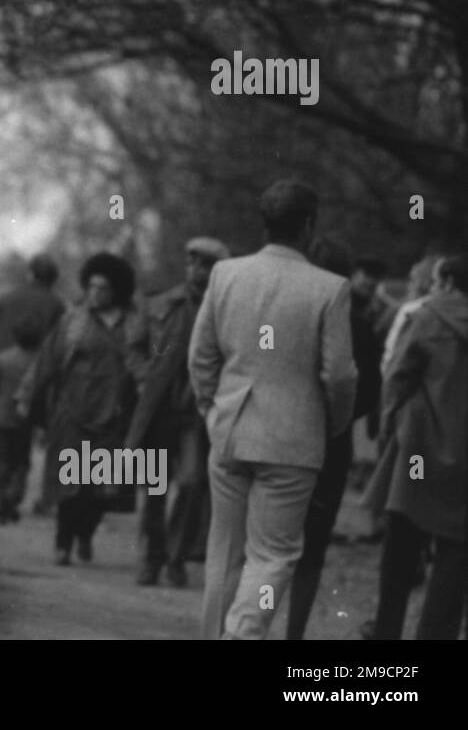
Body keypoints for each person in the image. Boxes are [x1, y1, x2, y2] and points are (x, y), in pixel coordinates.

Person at [188, 180, 357, 640]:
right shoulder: (331, 289)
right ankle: (243, 635)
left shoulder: (225, 275)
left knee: (224, 552)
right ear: (308, 225)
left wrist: (211, 408)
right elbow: (340, 375)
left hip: (230, 429)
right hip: (294, 438)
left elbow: (200, 355)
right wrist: (332, 424)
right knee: (273, 554)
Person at [17, 251, 148, 566]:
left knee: (99, 489)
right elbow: (46, 360)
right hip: (72, 413)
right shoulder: (73, 320)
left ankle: (86, 534)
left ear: (116, 290)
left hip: (113, 416)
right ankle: (63, 543)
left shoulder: (133, 325)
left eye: (102, 288)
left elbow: (144, 369)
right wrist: (25, 394)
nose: (94, 294)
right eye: (90, 287)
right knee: (69, 486)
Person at [364, 255, 468, 639]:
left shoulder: (427, 317)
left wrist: (389, 426)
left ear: (449, 283)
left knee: (402, 545)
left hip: (418, 451)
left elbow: (397, 377)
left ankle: (387, 630)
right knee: (455, 554)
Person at [285, 234, 382, 639]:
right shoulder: (358, 326)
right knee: (312, 548)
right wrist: (337, 420)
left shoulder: (290, 314)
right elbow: (368, 392)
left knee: (272, 544)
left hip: (285, 437)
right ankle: (293, 632)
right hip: (332, 445)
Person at [128, 236, 230, 588]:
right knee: (154, 489)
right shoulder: (159, 304)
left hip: (196, 413)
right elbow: (134, 347)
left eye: (205, 264)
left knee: (191, 484)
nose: (197, 269)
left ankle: (176, 557)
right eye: (192, 262)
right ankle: (151, 559)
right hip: (158, 411)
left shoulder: (224, 311)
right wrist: (145, 378)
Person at [0, 253, 65, 514]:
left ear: (30, 274)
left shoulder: (7, 298)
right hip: (34, 375)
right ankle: (18, 495)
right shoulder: (56, 305)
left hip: (1, 370)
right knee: (24, 442)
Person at [0, 316, 46, 523]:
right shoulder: (40, 362)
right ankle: (12, 498)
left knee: (2, 461)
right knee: (21, 462)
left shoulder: (3, 358)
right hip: (25, 421)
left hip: (1, 418)